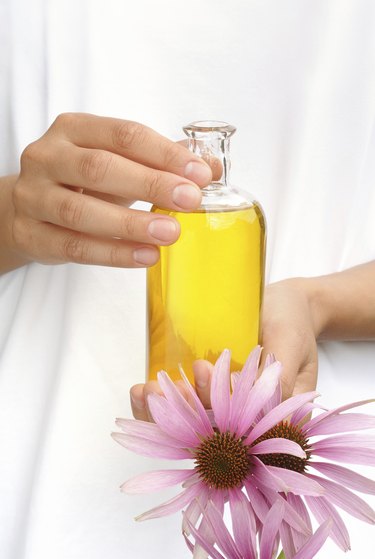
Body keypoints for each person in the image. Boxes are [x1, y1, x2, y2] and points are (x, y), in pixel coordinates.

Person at [0, 1, 374, 558]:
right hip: (34, 468)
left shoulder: (242, 213)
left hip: (298, 459)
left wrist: (314, 303)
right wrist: (12, 216)